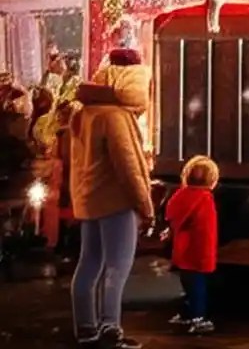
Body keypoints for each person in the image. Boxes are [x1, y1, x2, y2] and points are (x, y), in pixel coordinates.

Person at [69, 48, 154, 349]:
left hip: (89, 199)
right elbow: (128, 166)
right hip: (116, 202)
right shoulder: (115, 115)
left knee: (88, 264)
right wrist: (145, 205)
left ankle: (86, 329)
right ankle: (111, 329)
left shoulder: (84, 113)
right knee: (117, 267)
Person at [165, 155, 219, 334]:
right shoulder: (205, 199)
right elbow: (206, 229)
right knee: (199, 287)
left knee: (187, 284)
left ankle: (186, 314)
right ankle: (198, 318)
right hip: (200, 251)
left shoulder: (180, 196)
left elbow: (171, 216)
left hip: (182, 249)